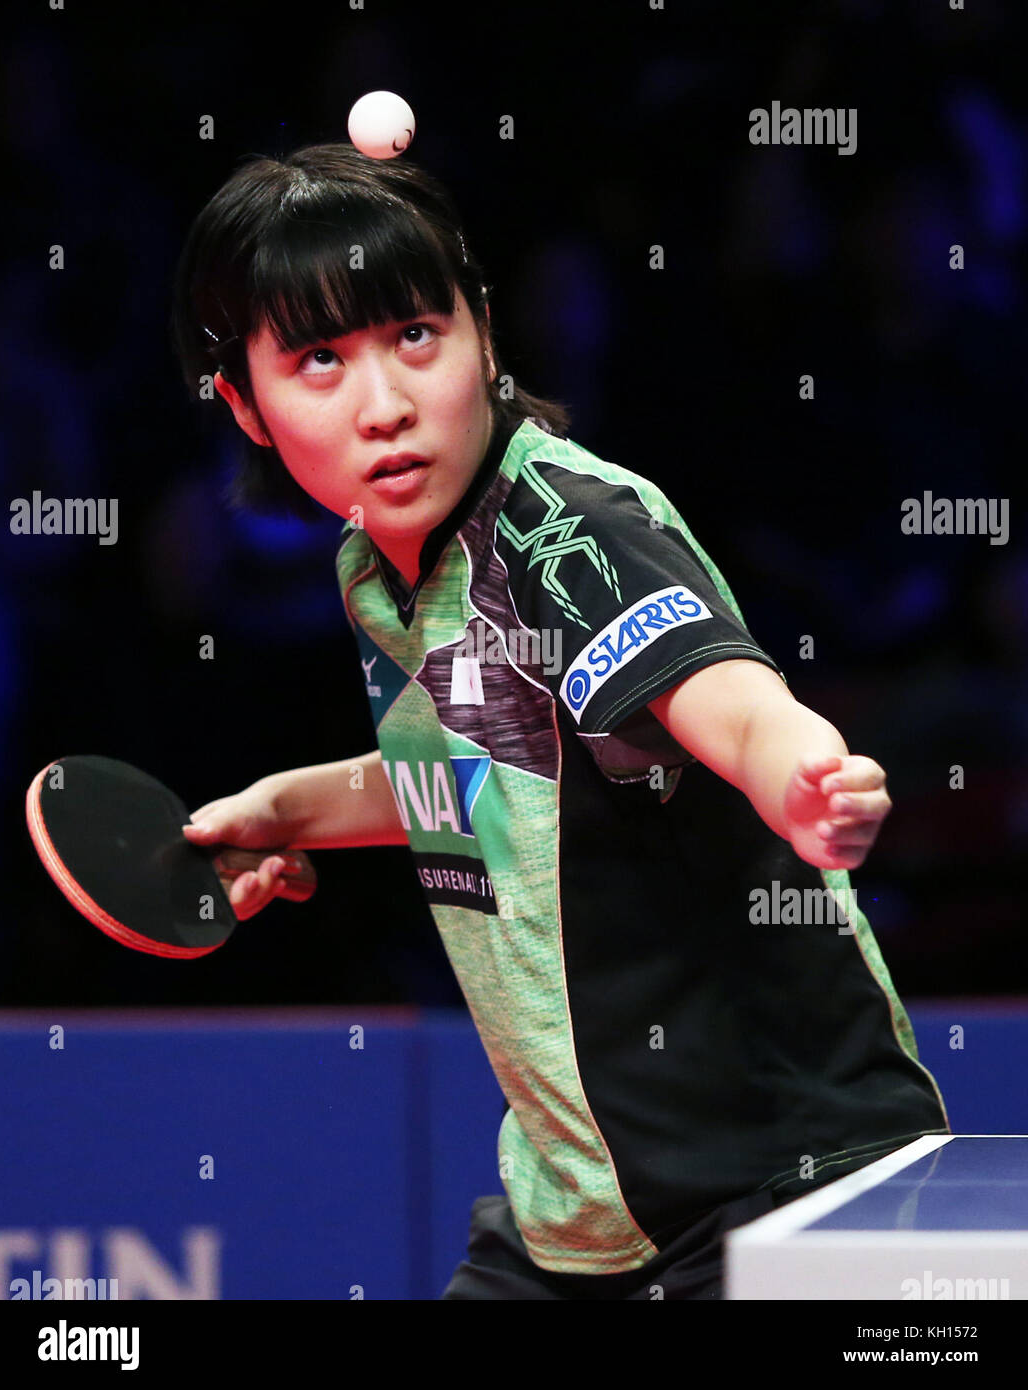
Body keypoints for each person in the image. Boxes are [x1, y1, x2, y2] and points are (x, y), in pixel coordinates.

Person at [170, 143, 949, 1300]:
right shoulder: (373, 568)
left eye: (415, 337)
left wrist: (798, 769)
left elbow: (725, 703)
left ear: (483, 331)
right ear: (244, 404)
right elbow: (493, 773)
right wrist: (292, 809)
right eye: (321, 360)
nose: (384, 403)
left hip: (794, 1184)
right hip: (579, 1224)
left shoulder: (561, 531)